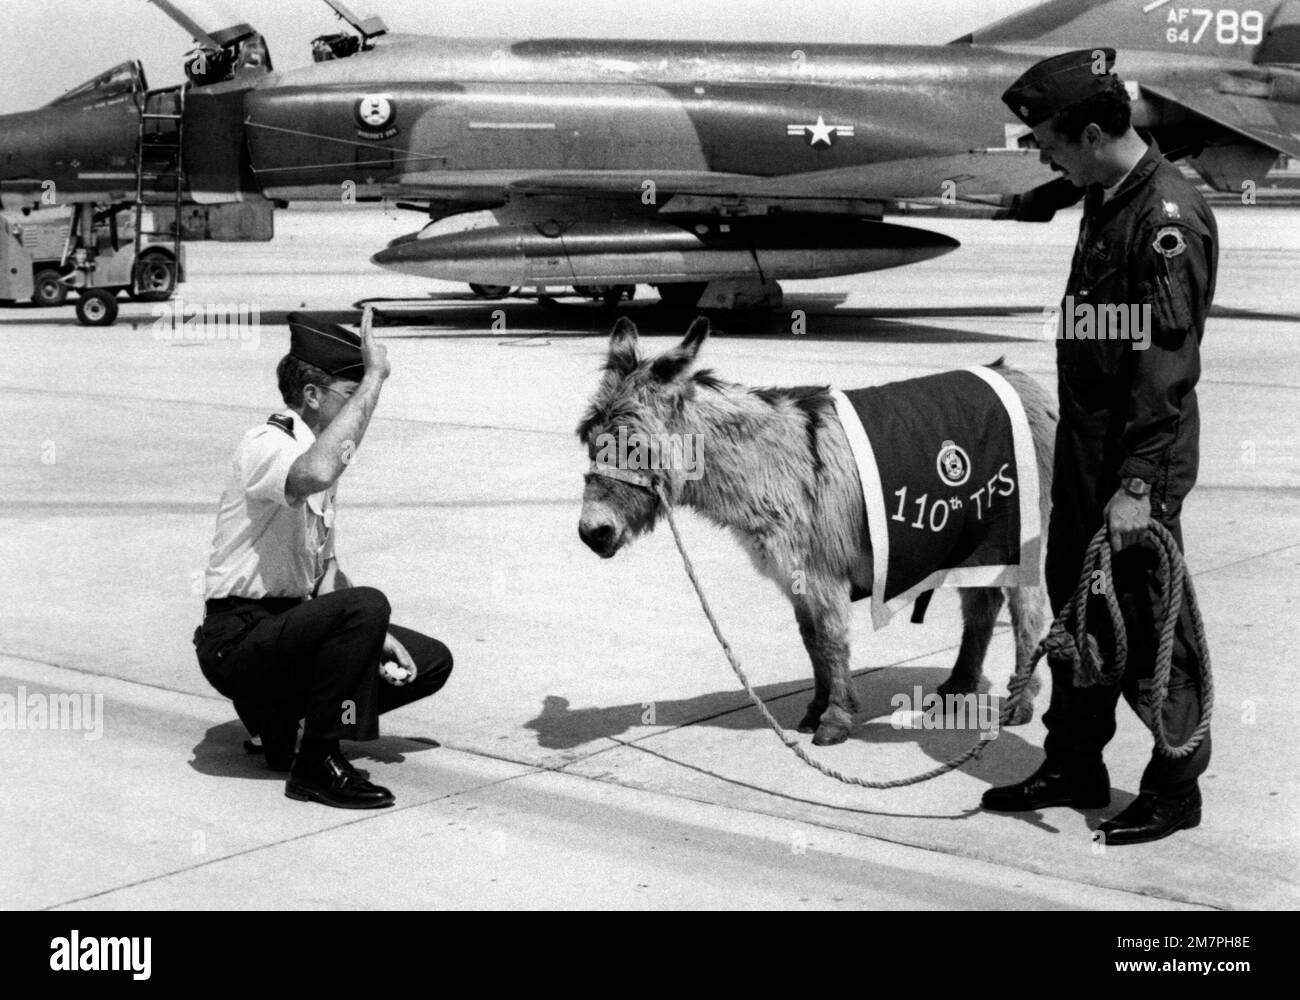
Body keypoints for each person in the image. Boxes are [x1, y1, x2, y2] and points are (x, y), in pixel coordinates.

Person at [982, 49, 1215, 845]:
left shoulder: (1166, 221)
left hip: (1133, 461)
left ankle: (1176, 785)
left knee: (1150, 623)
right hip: (1088, 448)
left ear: (1088, 131)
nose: (1043, 154)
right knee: (1080, 608)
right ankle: (1074, 760)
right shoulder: (1108, 191)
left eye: (1048, 141)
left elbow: (1163, 366)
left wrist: (1140, 483)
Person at [193, 308, 453, 809]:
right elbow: (316, 472)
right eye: (348, 393)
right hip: (240, 640)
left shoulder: (315, 454)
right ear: (312, 396)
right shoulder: (268, 444)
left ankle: (280, 719)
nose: (360, 404)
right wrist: (375, 376)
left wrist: (382, 637)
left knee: (428, 662)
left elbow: (326, 573)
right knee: (366, 605)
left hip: (288, 631)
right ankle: (316, 760)